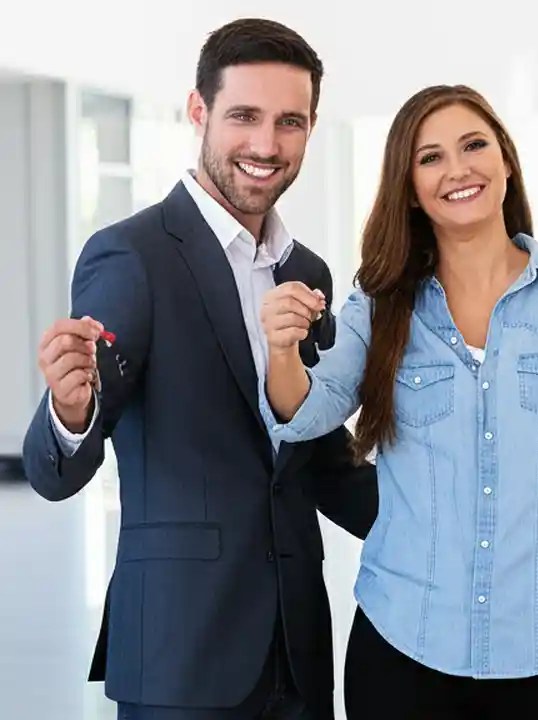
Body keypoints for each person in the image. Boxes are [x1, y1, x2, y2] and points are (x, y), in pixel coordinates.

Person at [258, 84, 538, 720]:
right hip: (404, 648)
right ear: (410, 188)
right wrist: (282, 349)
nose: (457, 169)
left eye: (473, 145)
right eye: (431, 158)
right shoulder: (381, 305)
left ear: (505, 159)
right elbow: (310, 410)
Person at [21, 18, 378, 720]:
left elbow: (316, 457)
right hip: (180, 655)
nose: (266, 145)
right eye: (244, 116)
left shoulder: (307, 272)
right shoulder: (132, 256)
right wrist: (68, 410)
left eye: (290, 122)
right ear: (198, 111)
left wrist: (449, 523)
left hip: (297, 652)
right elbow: (53, 473)